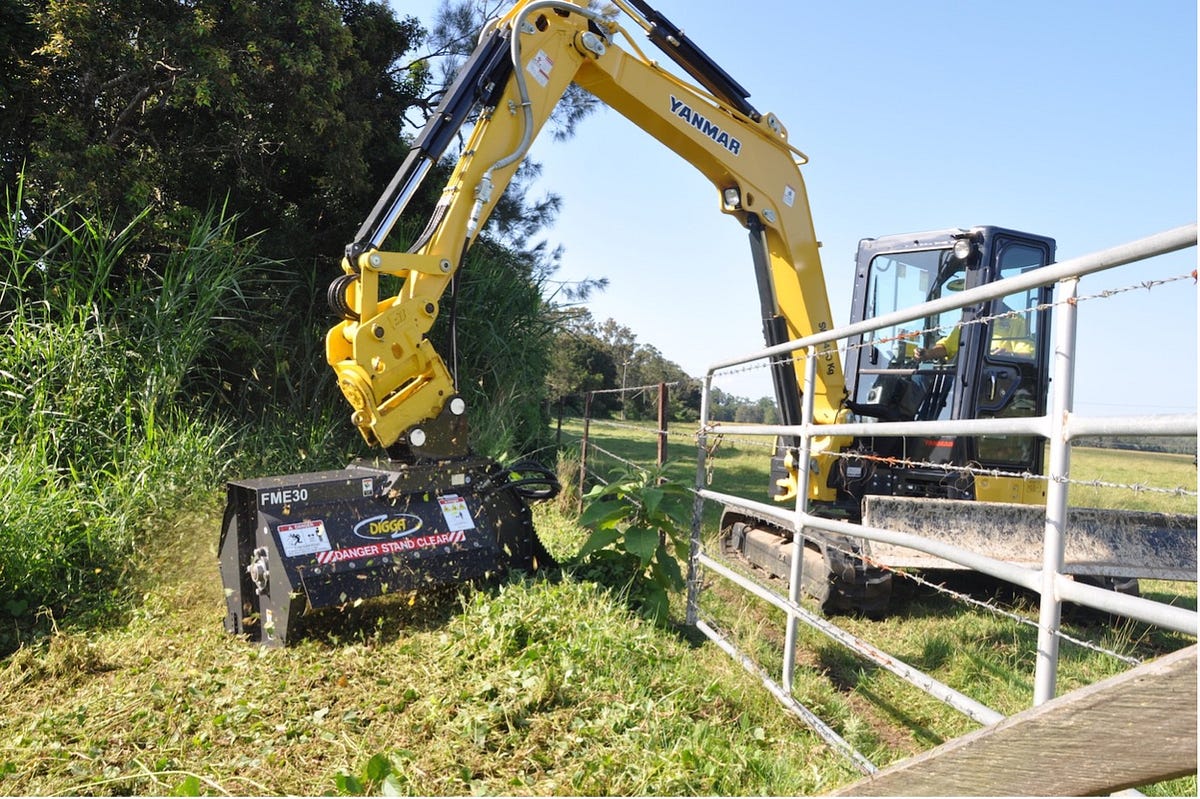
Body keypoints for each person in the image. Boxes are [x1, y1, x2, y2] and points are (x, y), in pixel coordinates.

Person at [916, 304, 1034, 362]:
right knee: (921, 376)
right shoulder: (967, 320)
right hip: (962, 375)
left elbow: (1026, 355)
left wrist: (1007, 355)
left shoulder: (1015, 320)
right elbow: (947, 347)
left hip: (995, 375)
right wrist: (928, 354)